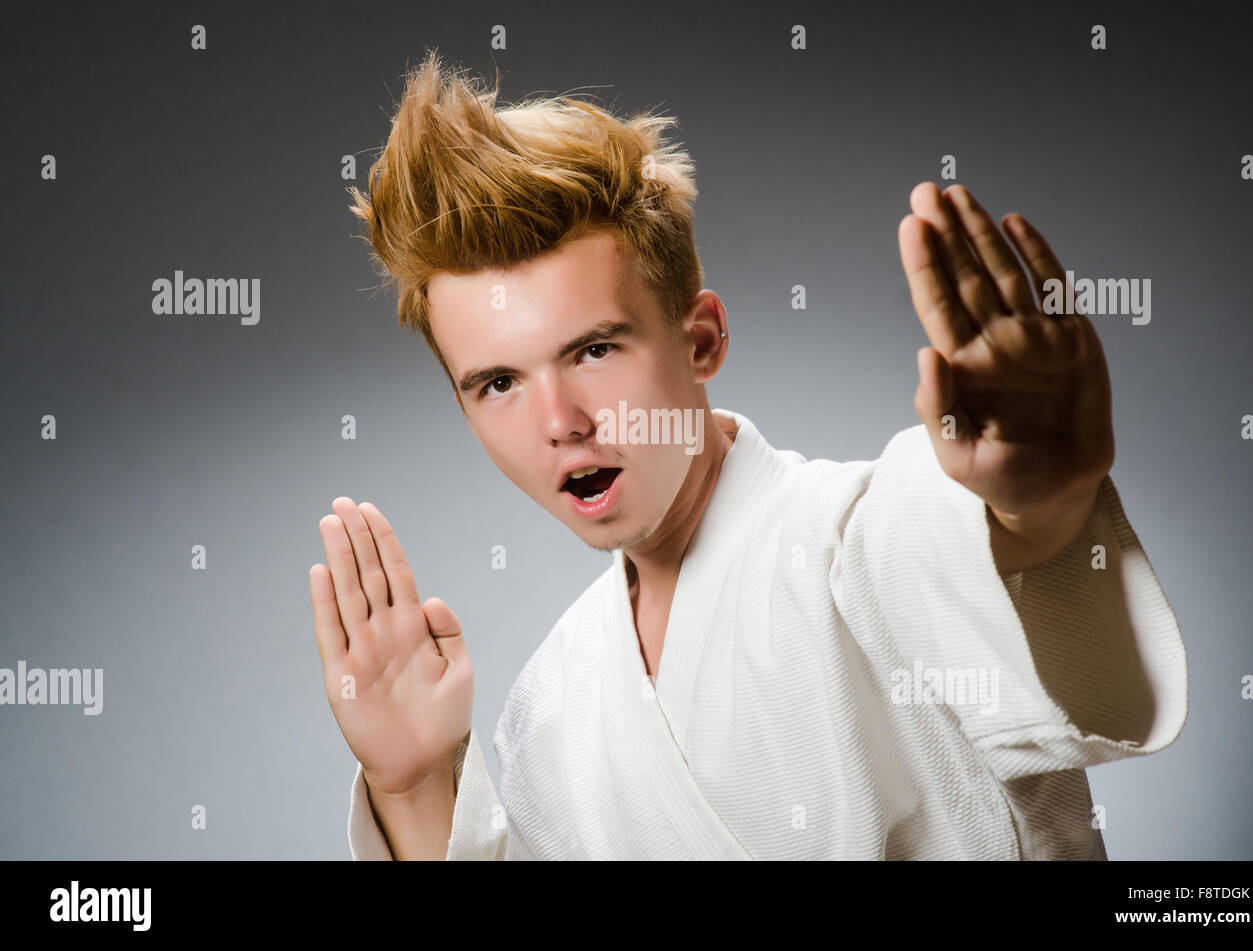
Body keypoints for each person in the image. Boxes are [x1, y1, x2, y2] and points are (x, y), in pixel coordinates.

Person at [308, 49, 1187, 860]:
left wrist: (1044, 509)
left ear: (701, 340)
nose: (559, 421)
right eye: (497, 382)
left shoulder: (863, 533)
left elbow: (1034, 612)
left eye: (594, 350)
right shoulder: (551, 708)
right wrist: (415, 785)